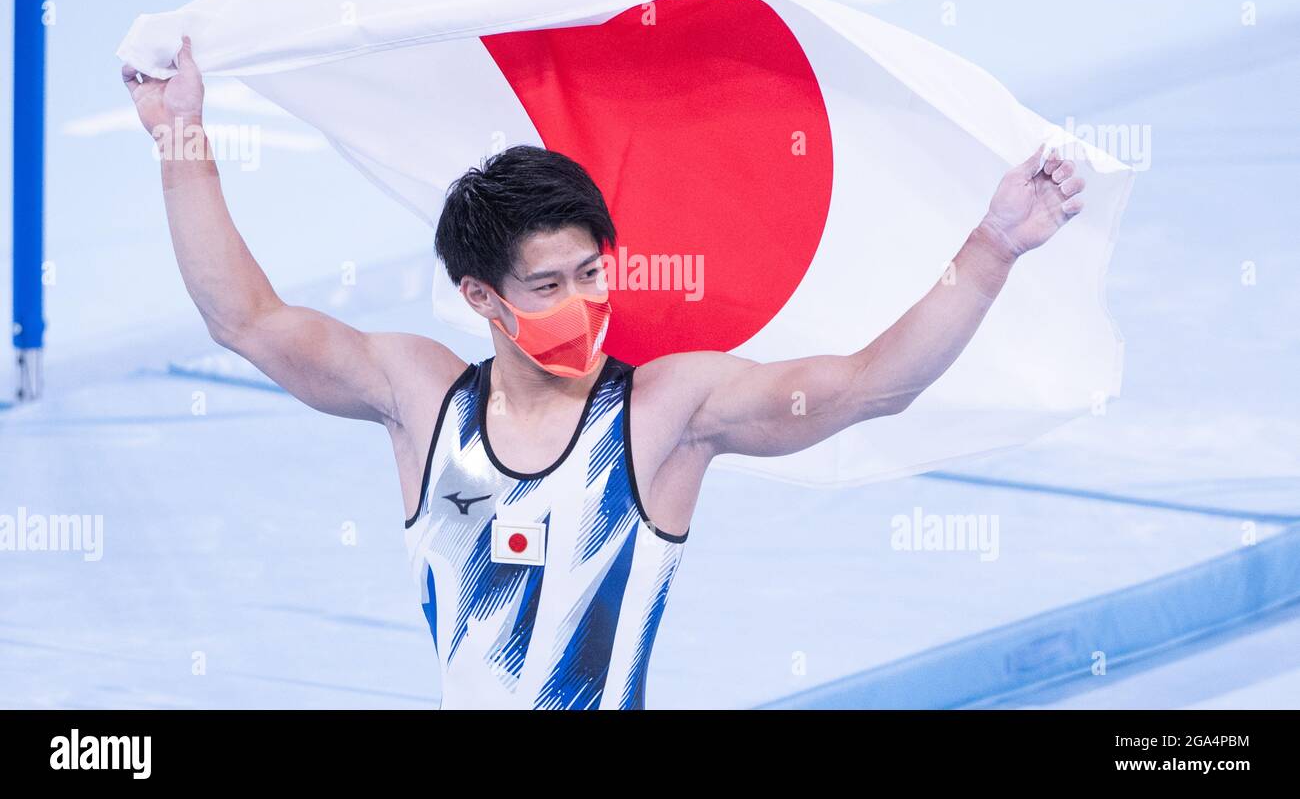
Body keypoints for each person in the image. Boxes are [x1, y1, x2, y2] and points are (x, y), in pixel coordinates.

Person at [121, 36, 1086, 709]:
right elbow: (245, 319)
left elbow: (872, 384)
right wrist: (179, 138)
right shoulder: (421, 398)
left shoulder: (669, 411)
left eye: (594, 272)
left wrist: (994, 245)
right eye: (546, 285)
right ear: (479, 298)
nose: (583, 301)